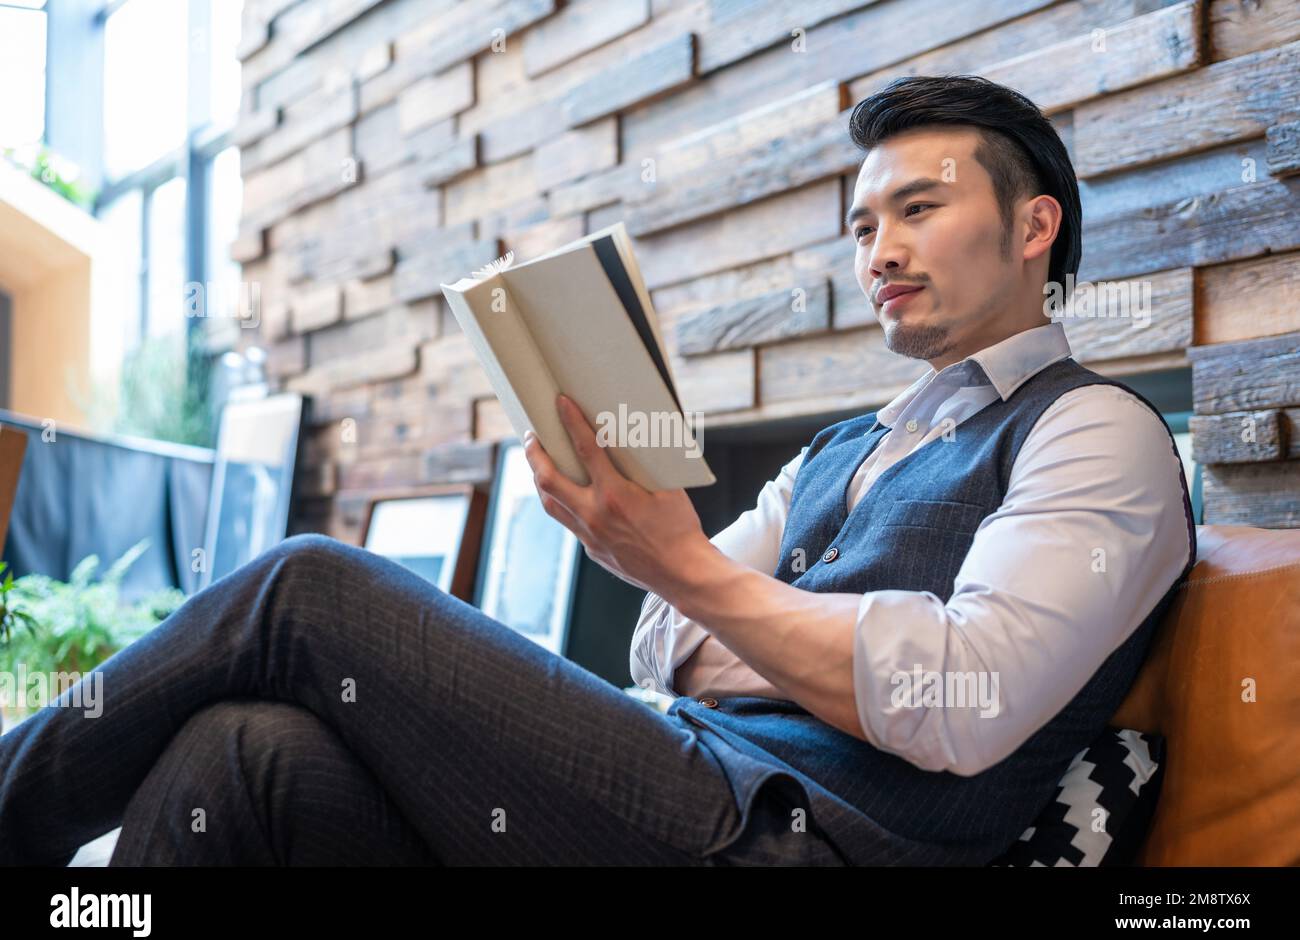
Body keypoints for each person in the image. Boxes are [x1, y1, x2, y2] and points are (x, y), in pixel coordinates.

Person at [0, 74, 1194, 867]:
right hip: (674, 777)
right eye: (862, 227)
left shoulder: (1096, 435)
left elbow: (957, 702)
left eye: (917, 210)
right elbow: (654, 647)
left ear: (1033, 229)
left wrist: (690, 575)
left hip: (799, 840)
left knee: (308, 587)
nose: (878, 251)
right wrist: (789, 635)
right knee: (240, 756)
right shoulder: (847, 445)